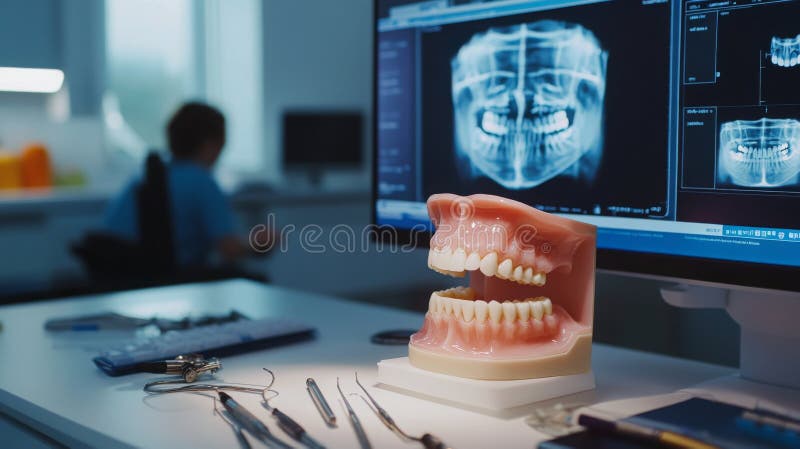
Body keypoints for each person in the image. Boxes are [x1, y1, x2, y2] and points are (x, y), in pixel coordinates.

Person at [103, 101, 252, 268]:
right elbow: (229, 249)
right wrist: (260, 242)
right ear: (210, 145)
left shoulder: (145, 176)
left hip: (116, 276)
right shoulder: (201, 182)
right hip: (164, 279)